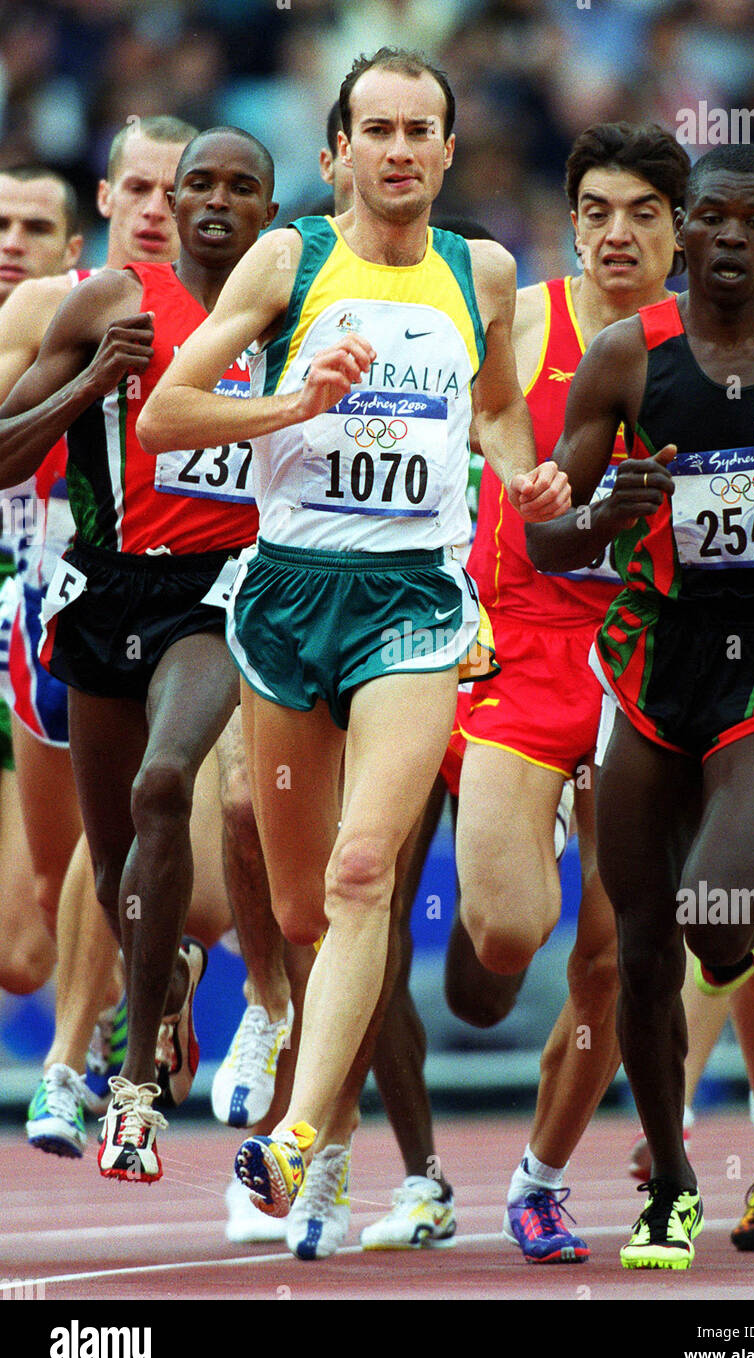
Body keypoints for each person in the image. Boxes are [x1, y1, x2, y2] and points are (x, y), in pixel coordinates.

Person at [137, 47, 569, 1221]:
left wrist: (525, 480)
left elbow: (493, 410)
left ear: (443, 147)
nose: (396, 150)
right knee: (297, 914)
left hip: (411, 605)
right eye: (373, 130)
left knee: (365, 867)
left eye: (417, 130)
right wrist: (293, 403)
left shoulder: (479, 271)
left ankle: (298, 1132)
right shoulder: (289, 259)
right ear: (336, 151)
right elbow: (168, 413)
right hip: (285, 596)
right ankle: (316, 1112)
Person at [530, 142, 754, 1270]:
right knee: (635, 946)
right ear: (681, 231)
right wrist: (604, 517)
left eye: (748, 222)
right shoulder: (627, 358)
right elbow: (549, 536)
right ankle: (670, 1180)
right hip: (649, 663)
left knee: (717, 910)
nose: (726, 238)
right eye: (707, 219)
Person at [0, 125, 279, 1180]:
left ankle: (133, 1094)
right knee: (109, 859)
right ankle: (161, 984)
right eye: (187, 183)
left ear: (267, 208)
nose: (204, 201)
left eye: (232, 186)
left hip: (216, 594)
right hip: (103, 586)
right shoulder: (110, 304)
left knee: (168, 782)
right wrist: (89, 390)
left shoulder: (290, 317)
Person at [471, 121, 689, 1264]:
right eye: (596, 211)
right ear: (568, 225)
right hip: (519, 643)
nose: (616, 232)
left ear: (680, 229)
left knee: (612, 953)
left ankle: (541, 1175)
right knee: (508, 934)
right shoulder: (521, 323)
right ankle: (474, 896)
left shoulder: (717, 351)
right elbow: (460, 421)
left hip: (645, 656)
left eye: (642, 213)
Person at [0, 164, 85, 1004]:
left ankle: (108, 1020)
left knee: (24, 951)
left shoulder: (85, 336)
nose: (10, 244)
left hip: (32, 635)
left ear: (70, 252)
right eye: (0, 225)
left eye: (32, 229)